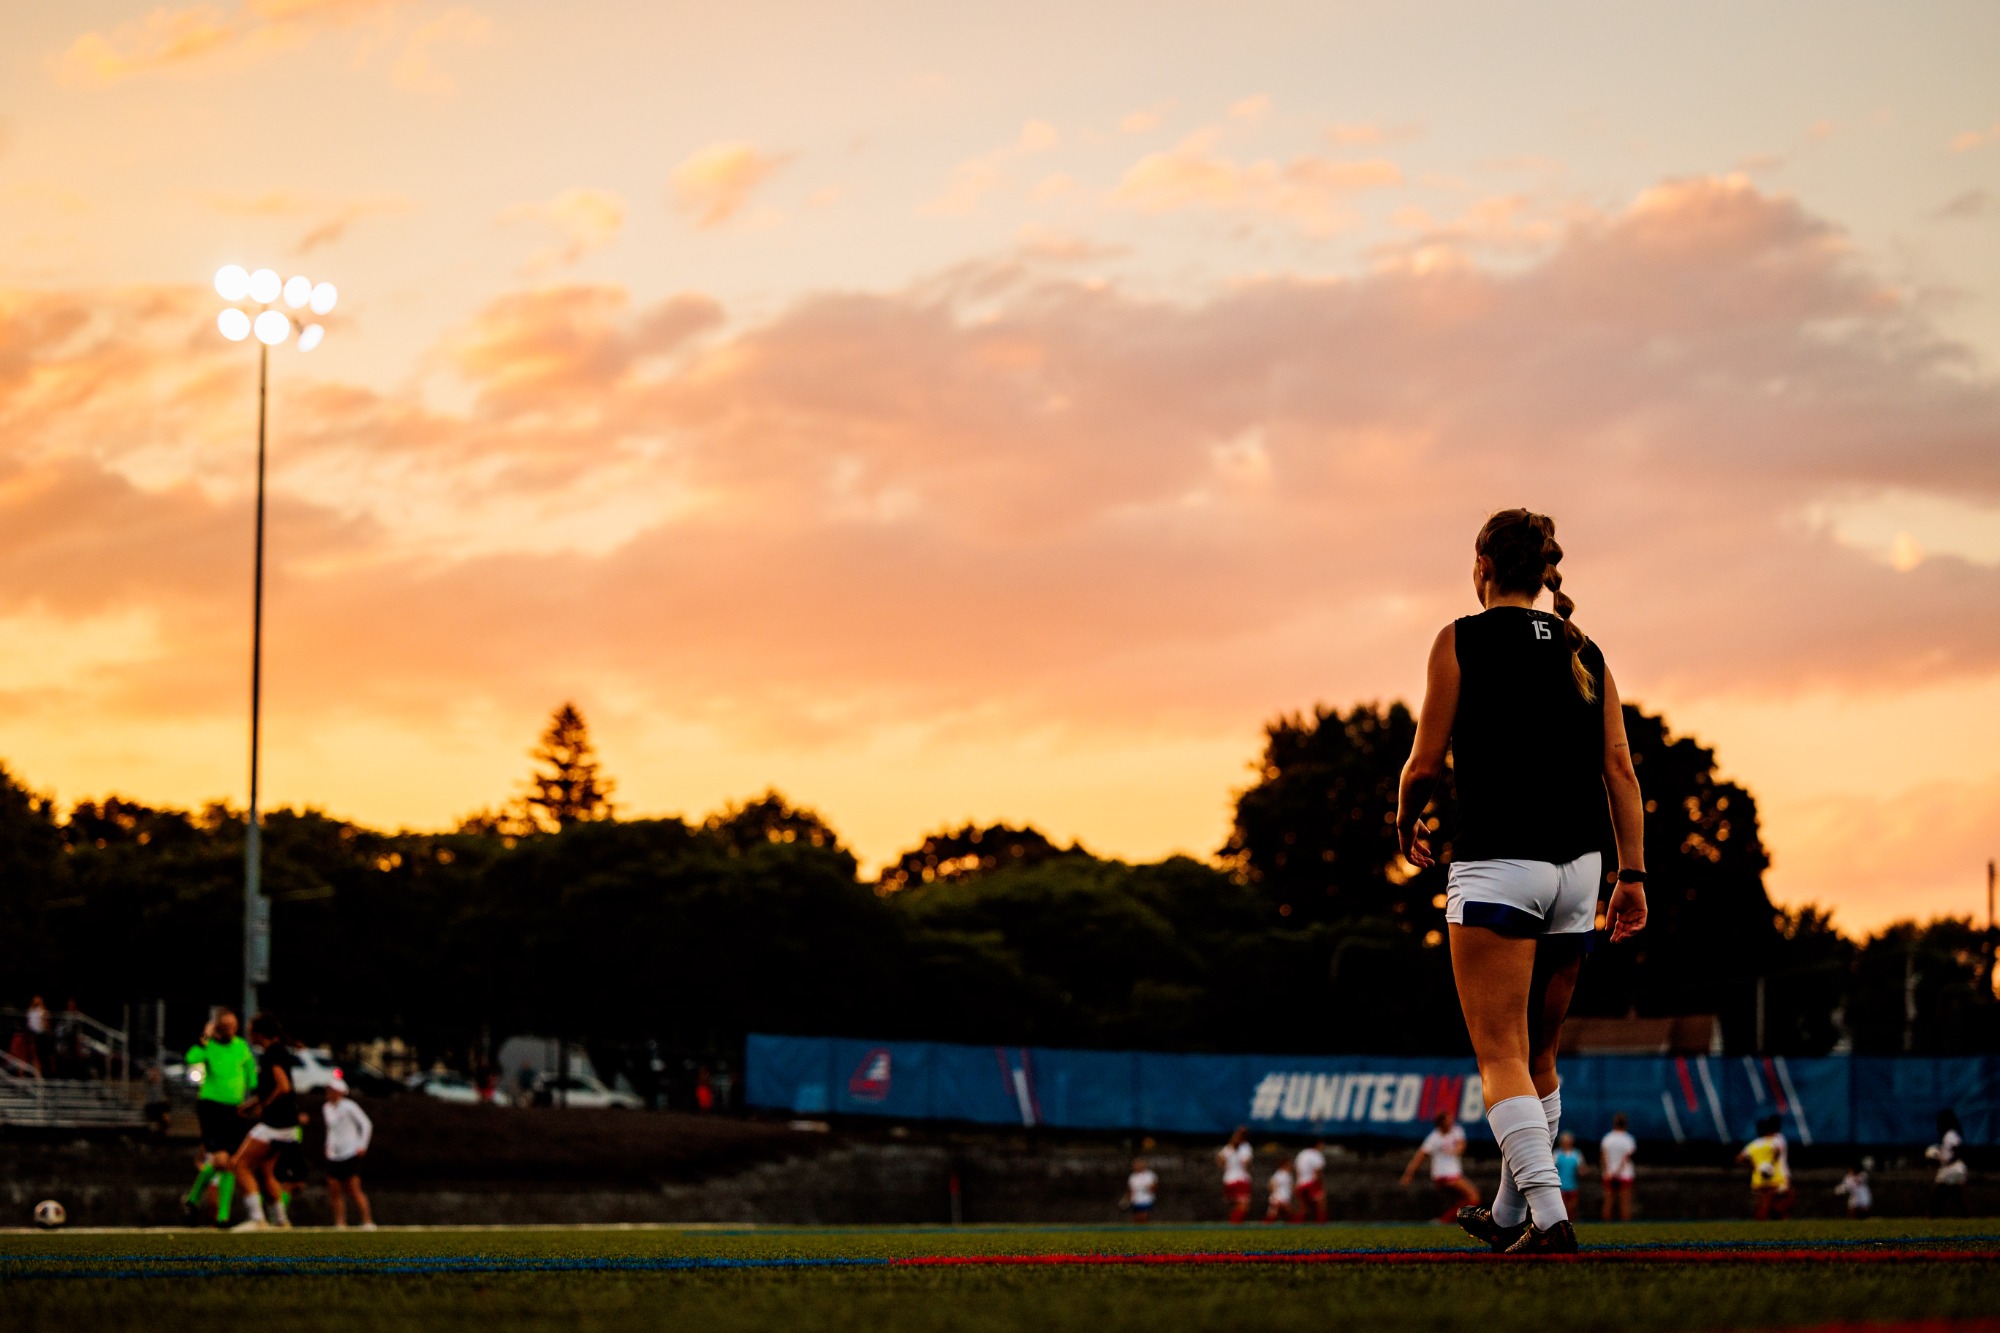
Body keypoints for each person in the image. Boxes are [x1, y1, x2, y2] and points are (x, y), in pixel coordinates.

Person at [1398, 509, 1648, 1256]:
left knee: (1499, 1051)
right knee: (1540, 1053)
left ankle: (1550, 1215)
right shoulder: (1585, 650)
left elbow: (1424, 759)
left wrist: (1405, 818)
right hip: (1580, 870)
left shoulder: (1459, 639)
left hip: (1498, 862)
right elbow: (1621, 771)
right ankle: (1509, 1216)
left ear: (1482, 566)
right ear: (1545, 572)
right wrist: (1631, 873)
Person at [182, 1009, 257, 1227]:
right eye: (225, 1027)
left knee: (230, 1162)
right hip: (212, 1107)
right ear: (217, 1028)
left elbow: (250, 1071)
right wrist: (205, 1038)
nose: (230, 1031)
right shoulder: (210, 1046)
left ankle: (207, 1207)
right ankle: (213, 1210)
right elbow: (191, 1058)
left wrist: (254, 1097)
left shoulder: (241, 1046)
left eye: (233, 1027)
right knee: (222, 1159)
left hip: (235, 1109)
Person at [230, 1013, 300, 1230]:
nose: (249, 1035)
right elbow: (270, 1088)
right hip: (288, 1125)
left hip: (275, 1123)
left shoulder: (272, 1053)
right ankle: (281, 1220)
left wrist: (264, 1106)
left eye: (251, 1030)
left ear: (260, 1033)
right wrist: (250, 1105)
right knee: (267, 1171)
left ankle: (257, 1219)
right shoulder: (278, 1052)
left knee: (238, 1164)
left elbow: (283, 1087)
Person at [1402, 1110, 1479, 1223]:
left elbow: (1461, 1145)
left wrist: (1457, 1150)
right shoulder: (1434, 1138)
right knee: (1473, 1196)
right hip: (1444, 1175)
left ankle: (1453, 1220)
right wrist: (1408, 1175)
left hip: (1451, 1174)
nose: (1451, 1122)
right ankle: (1444, 1220)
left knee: (1462, 1200)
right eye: (1448, 1120)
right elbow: (1419, 1157)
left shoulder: (1456, 1130)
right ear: (1441, 1123)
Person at [322, 1075, 376, 1230]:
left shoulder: (349, 1106)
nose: (329, 1093)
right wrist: (328, 1145)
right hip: (334, 1154)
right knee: (334, 1189)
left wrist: (362, 1145)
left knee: (353, 1189)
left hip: (350, 1152)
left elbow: (366, 1124)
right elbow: (331, 1130)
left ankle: (367, 1221)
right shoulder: (326, 1108)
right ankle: (340, 1222)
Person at [1738, 1114, 1793, 1221]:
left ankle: (1771, 1219)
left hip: (1758, 1178)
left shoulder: (1754, 1143)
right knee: (1777, 1199)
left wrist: (1753, 1167)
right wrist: (1771, 1163)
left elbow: (1740, 1158)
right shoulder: (1776, 1140)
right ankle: (1771, 1217)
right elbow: (1777, 1150)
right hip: (1775, 1177)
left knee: (1764, 1201)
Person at [1927, 1109, 1968, 1217]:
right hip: (1956, 1169)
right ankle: (1969, 1217)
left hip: (1952, 1169)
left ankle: (1933, 1217)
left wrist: (1946, 1161)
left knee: (1936, 1196)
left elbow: (1958, 1150)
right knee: (1957, 1197)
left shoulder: (1950, 1134)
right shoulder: (1949, 1135)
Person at [1600, 1114, 1637, 1221]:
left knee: (1608, 1202)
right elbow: (1626, 1158)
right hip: (1625, 1174)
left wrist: (1608, 1171)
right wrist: (1618, 1171)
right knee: (1625, 1203)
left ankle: (1605, 1229)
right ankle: (1626, 1228)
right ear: (1626, 1125)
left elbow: (1603, 1156)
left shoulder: (1607, 1138)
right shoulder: (1629, 1139)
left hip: (1609, 1174)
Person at [1217, 1126, 1253, 1224]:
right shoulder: (1245, 1146)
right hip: (1240, 1179)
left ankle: (1233, 1224)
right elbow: (1246, 1163)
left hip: (1228, 1180)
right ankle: (1234, 1225)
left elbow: (1219, 1160)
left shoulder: (1228, 1148)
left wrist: (1226, 1167)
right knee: (1243, 1205)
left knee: (1235, 1205)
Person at [1293, 1138, 1329, 1223]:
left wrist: (1298, 1182)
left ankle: (1298, 1224)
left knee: (1303, 1207)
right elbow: (1318, 1172)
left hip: (1300, 1183)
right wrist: (1321, 1186)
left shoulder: (1301, 1154)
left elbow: (1297, 1170)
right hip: (1311, 1183)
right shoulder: (1316, 1154)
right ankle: (1321, 1222)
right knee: (1321, 1202)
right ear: (1318, 1144)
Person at [1553, 1132, 1584, 1219]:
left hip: (1573, 1186)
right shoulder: (1556, 1154)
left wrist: (1581, 1171)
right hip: (1560, 1186)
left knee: (1572, 1208)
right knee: (1562, 1209)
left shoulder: (1576, 1154)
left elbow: (1582, 1169)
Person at [24, 995, 51, 1074]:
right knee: (34, 1056)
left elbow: (47, 1025)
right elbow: (28, 1024)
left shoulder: (43, 1011)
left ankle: (43, 1072)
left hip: (42, 1035)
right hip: (32, 1035)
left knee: (42, 1056)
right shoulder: (30, 1011)